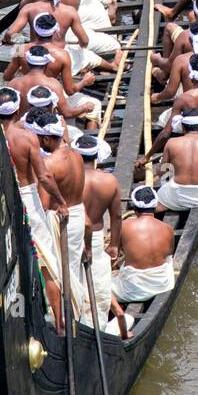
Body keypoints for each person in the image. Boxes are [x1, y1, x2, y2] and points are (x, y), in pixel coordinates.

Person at [0, 88, 67, 327]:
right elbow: (44, 177)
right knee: (48, 263)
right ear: (17, 109)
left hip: (0, 202)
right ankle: (60, 323)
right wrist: (62, 202)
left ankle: (19, 317)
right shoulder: (26, 138)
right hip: (26, 198)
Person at [28, 108, 87, 324]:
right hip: (78, 214)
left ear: (46, 138)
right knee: (71, 268)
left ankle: (70, 319)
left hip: (60, 220)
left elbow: (44, 205)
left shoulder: (50, 164)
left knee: (58, 271)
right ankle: (76, 317)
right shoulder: (77, 155)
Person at [73, 132, 126, 333]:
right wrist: (114, 245)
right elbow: (117, 217)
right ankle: (98, 329)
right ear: (96, 157)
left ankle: (75, 326)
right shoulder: (109, 181)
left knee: (73, 282)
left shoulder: (71, 179)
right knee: (98, 288)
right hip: (94, 240)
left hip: (72, 237)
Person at [112, 184, 176, 305]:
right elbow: (169, 254)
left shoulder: (124, 225)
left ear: (134, 209)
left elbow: (113, 255)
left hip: (133, 290)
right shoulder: (168, 229)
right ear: (155, 206)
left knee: (100, 284)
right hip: (162, 285)